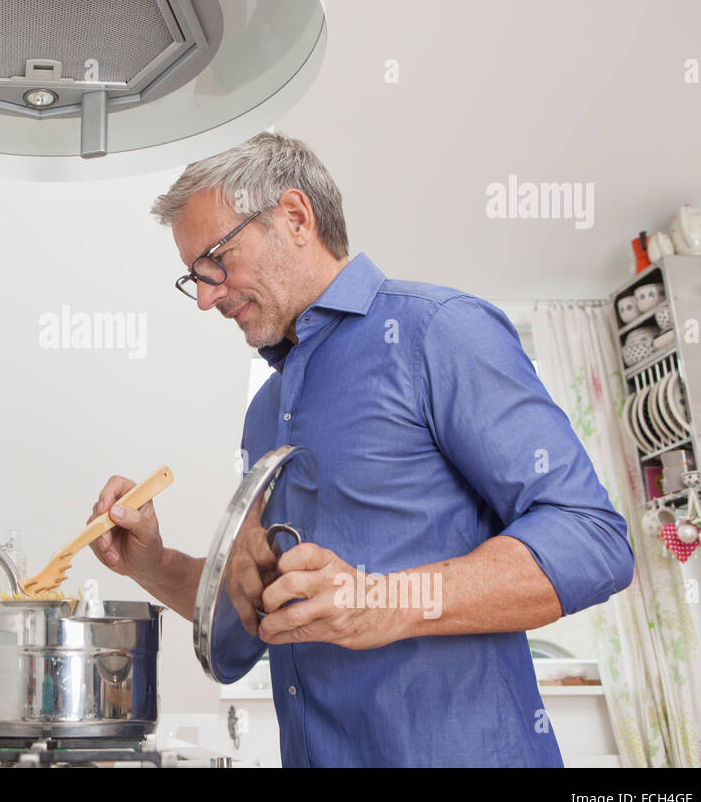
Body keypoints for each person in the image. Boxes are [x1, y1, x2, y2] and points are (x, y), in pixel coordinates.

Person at [87, 132, 633, 766]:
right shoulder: (268, 409)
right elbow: (257, 615)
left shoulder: (439, 331)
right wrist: (150, 562)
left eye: (215, 260)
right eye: (194, 278)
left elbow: (593, 539)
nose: (207, 295)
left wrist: (386, 601)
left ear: (294, 218)